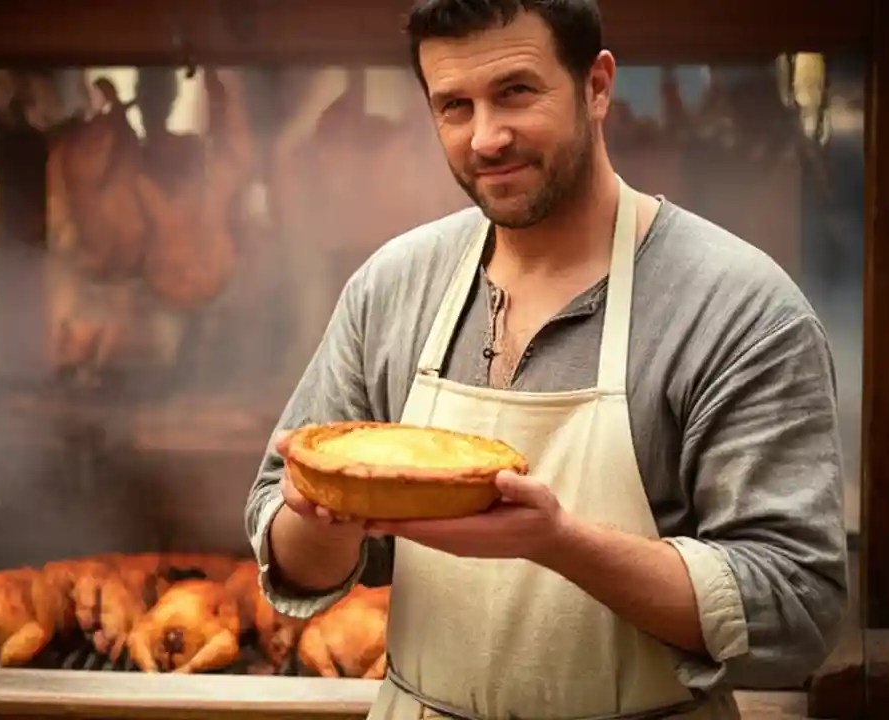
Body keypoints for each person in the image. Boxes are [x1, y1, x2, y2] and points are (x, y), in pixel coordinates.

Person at [244, 1, 848, 718]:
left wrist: (559, 543)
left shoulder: (737, 309)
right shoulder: (394, 287)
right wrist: (319, 510)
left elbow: (795, 608)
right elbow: (291, 556)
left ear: (596, 86)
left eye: (516, 93)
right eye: (454, 107)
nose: (486, 137)